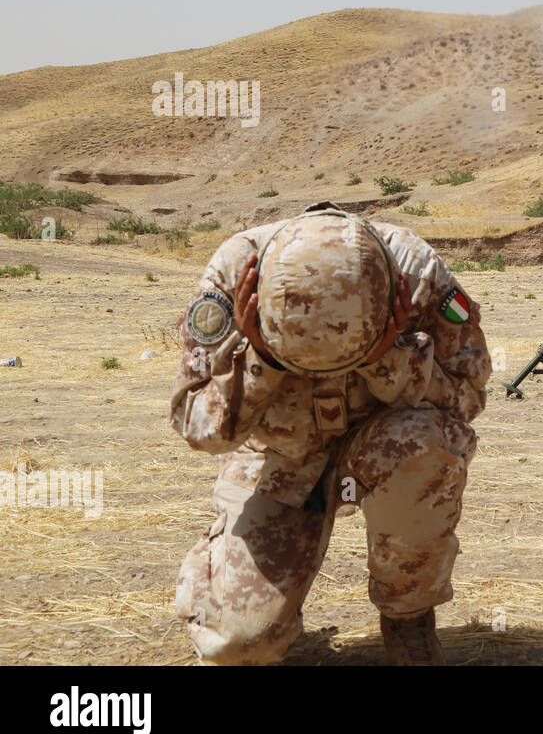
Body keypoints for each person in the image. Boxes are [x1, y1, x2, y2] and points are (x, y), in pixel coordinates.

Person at [171, 202, 490, 664]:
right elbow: (199, 430)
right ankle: (245, 597)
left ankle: (408, 617)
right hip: (279, 460)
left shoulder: (416, 275)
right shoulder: (237, 272)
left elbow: (468, 399)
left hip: (384, 445)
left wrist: (388, 356)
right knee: (240, 646)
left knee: (426, 443)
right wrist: (262, 361)